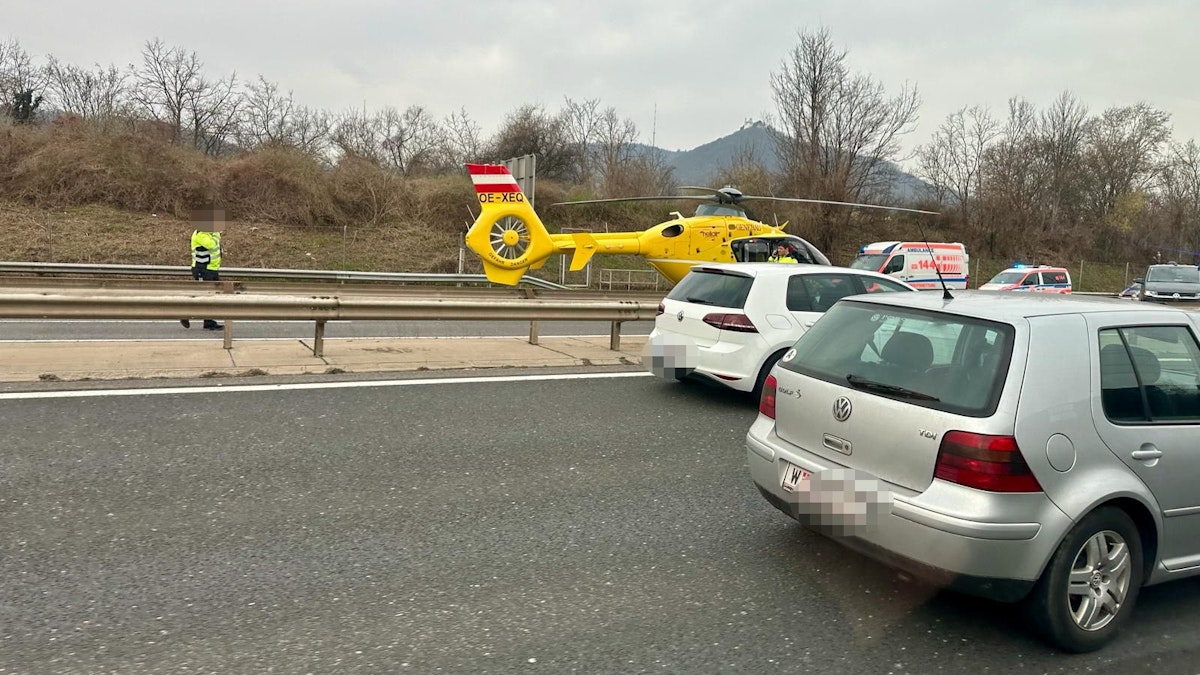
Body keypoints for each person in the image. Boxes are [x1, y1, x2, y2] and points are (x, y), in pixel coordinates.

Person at [180, 206, 225, 330]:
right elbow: (211, 245)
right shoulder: (200, 234)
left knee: (213, 295)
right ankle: (185, 314)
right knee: (202, 296)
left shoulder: (208, 233)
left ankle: (208, 321)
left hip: (211, 269)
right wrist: (216, 234)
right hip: (202, 269)